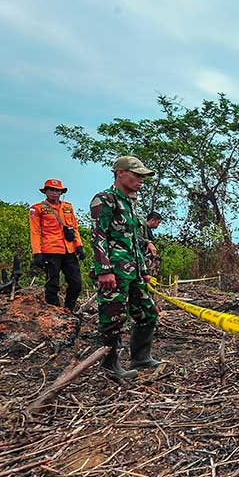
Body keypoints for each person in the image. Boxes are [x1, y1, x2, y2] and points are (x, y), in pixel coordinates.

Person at [90, 156, 161, 380]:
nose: (140, 180)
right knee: (113, 318)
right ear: (120, 173)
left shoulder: (130, 203)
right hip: (114, 271)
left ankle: (140, 357)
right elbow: (98, 236)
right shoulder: (105, 199)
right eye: (136, 175)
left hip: (135, 271)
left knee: (148, 312)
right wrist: (104, 270)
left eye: (142, 176)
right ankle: (110, 365)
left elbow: (132, 241)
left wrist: (146, 272)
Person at [29, 179, 85, 310]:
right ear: (46, 192)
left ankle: (68, 310)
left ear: (61, 192)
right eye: (51, 190)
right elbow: (35, 231)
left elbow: (74, 228)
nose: (54, 193)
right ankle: (54, 312)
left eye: (57, 190)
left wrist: (79, 245)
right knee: (52, 284)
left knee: (76, 283)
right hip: (50, 251)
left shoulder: (68, 207)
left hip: (69, 250)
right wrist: (36, 252)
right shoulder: (37, 208)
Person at [143, 211, 163, 278]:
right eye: (158, 222)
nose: (158, 225)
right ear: (152, 220)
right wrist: (148, 243)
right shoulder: (141, 227)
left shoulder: (148, 230)